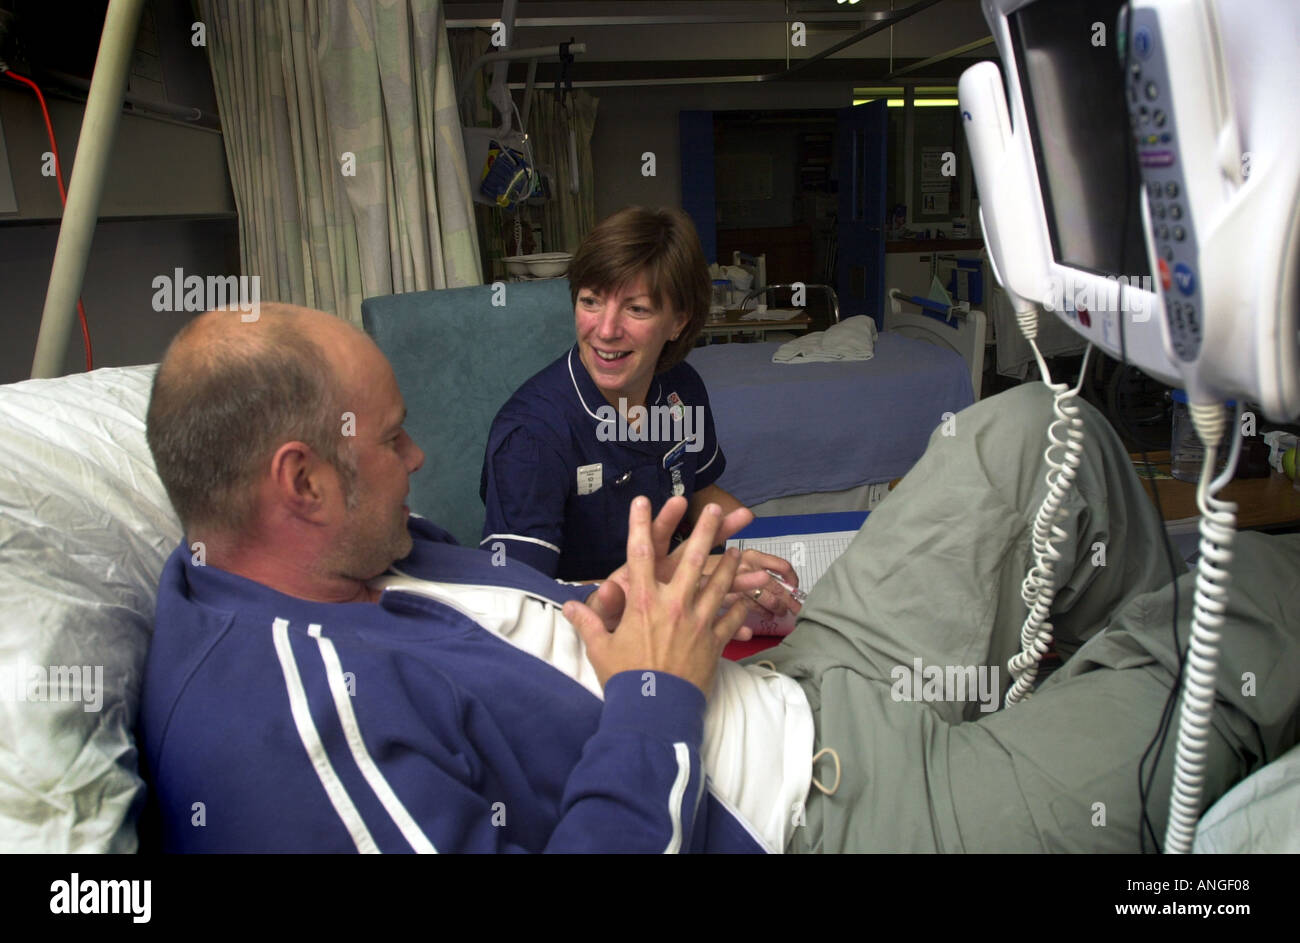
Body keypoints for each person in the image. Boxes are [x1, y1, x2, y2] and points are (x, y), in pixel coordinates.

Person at [140, 303, 1300, 853]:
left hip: (804, 677)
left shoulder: (351, 561)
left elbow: (518, 665)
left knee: (1042, 430)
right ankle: (1103, 734)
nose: (417, 457)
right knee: (1242, 606)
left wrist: (651, 609)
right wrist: (657, 692)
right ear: (300, 482)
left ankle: (1062, 701)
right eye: (391, 441)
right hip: (828, 811)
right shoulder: (278, 742)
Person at [479, 207, 793, 598]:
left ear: (678, 321)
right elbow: (516, 597)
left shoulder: (681, 390)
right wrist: (686, 577)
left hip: (684, 603)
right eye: (591, 301)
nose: (606, 330)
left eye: (636, 308)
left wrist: (769, 561)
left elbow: (697, 490)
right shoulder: (532, 436)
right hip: (586, 633)